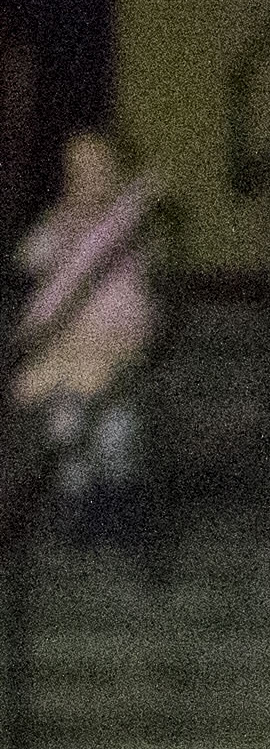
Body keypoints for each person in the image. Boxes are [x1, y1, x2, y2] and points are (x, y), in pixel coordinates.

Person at [16, 129, 162, 541]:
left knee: (112, 417)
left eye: (99, 169)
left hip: (113, 335)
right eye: (77, 171)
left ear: (116, 174)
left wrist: (138, 194)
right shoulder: (61, 220)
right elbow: (34, 260)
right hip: (68, 336)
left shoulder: (122, 222)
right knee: (64, 415)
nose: (87, 180)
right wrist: (47, 240)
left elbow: (128, 217)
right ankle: (77, 496)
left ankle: (120, 492)